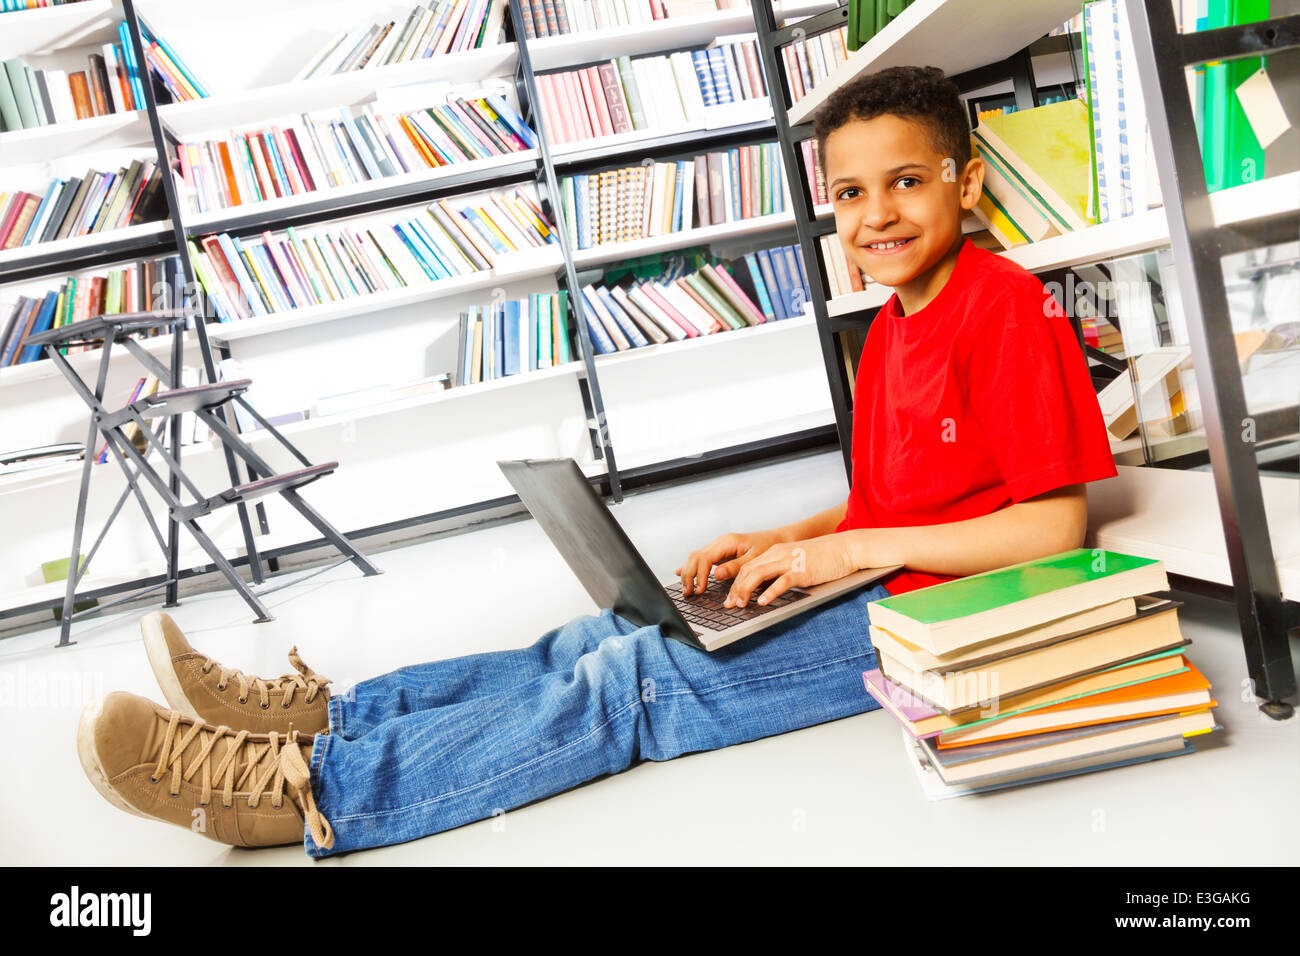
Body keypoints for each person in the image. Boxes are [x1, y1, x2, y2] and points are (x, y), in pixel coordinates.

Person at [76, 65, 1117, 857]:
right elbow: (886, 501)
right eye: (848, 194)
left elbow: (1048, 529)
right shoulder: (890, 325)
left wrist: (838, 561)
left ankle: (313, 786)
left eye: (902, 182)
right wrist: (790, 541)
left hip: (936, 626)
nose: (875, 214)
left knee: (634, 679)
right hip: (879, 581)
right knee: (607, 625)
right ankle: (332, 710)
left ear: (965, 180)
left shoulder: (1007, 310)